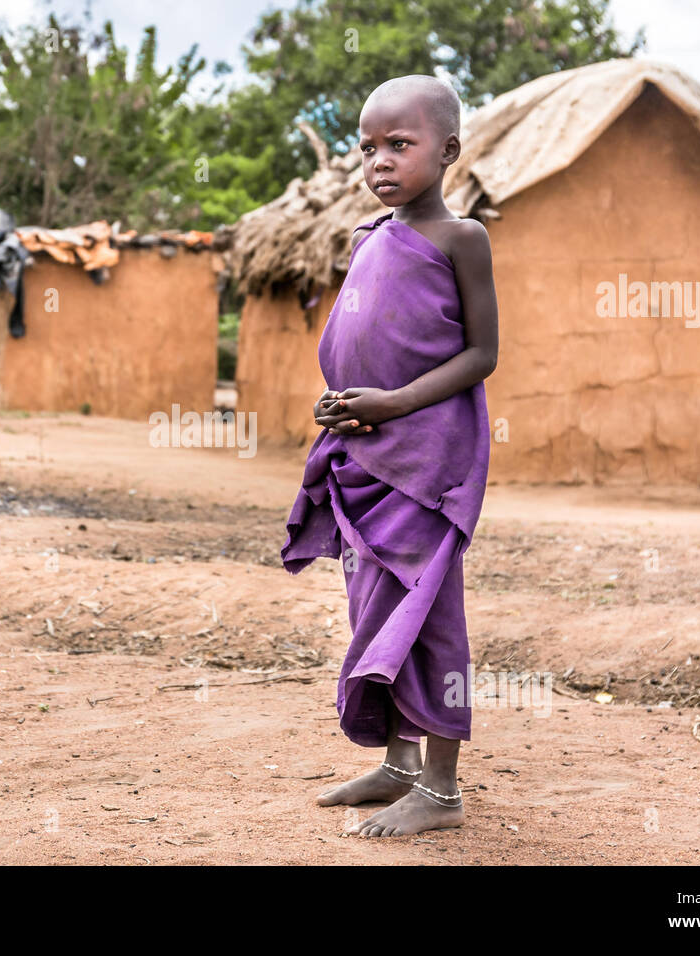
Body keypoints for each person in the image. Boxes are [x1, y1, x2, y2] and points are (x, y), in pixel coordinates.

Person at [280, 74, 499, 837]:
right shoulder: (367, 240)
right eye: (367, 147)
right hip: (366, 454)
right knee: (375, 607)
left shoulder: (461, 239)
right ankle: (399, 764)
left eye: (398, 145)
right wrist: (340, 402)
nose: (379, 161)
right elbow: (362, 343)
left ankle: (441, 790)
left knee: (430, 613)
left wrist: (395, 404)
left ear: (447, 151)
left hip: (428, 463)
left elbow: (482, 354)